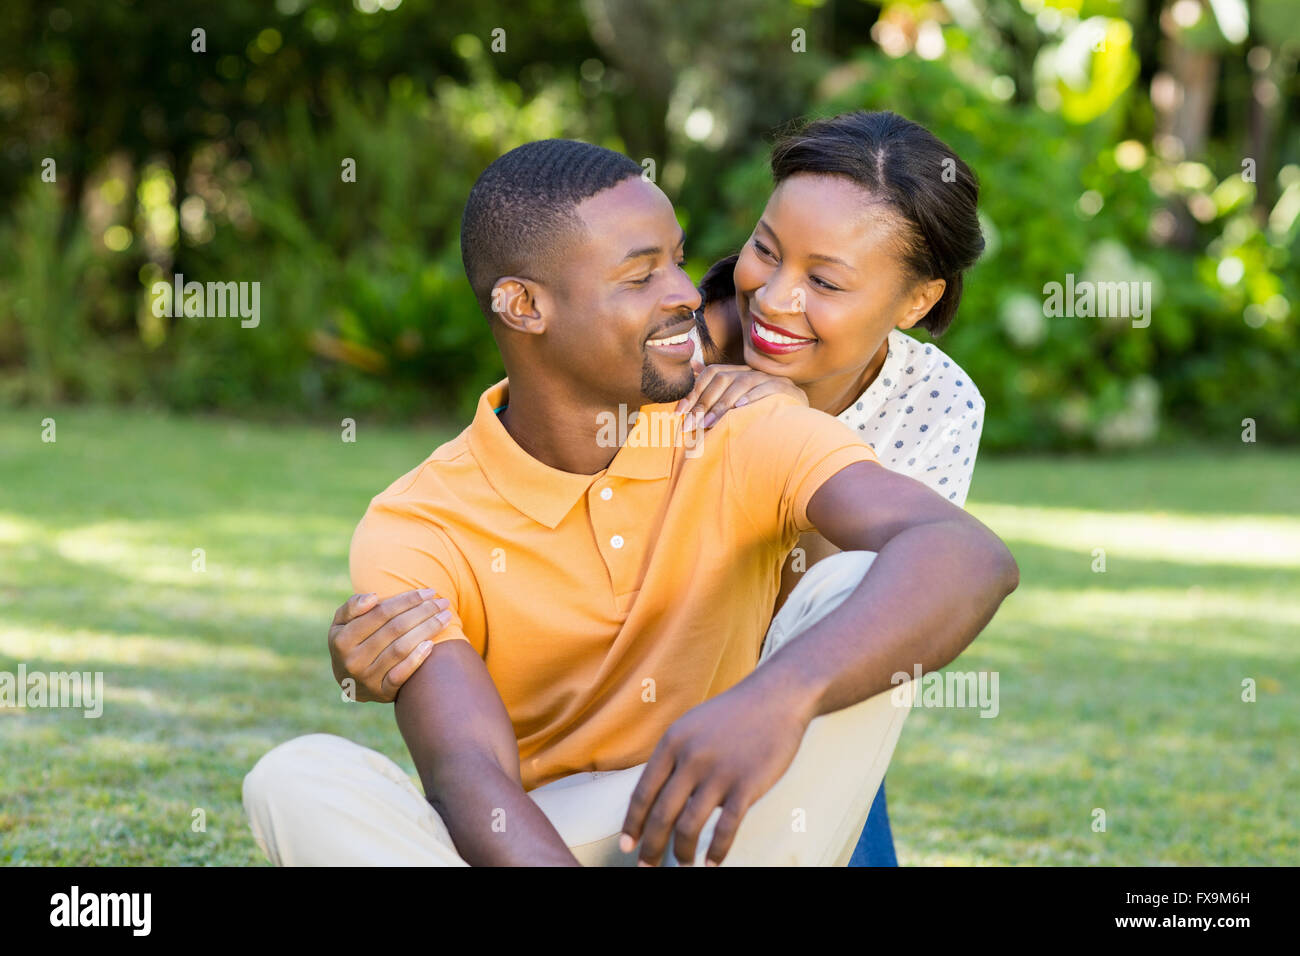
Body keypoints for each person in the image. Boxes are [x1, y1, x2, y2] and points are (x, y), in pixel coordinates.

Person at [243, 137, 1017, 866]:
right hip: (550, 831)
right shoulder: (416, 523)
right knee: (296, 777)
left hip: (730, 793)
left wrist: (777, 700)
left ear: (915, 299)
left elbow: (966, 556)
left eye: (679, 263)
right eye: (642, 275)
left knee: (857, 580)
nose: (689, 294)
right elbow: (467, 775)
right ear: (523, 305)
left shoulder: (751, 422)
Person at [679, 110, 987, 865]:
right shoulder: (671, 356)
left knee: (878, 583)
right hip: (651, 689)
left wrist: (796, 435)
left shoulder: (938, 402)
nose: (775, 298)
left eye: (823, 280)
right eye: (764, 250)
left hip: (802, 704)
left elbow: (858, 603)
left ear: (916, 301)